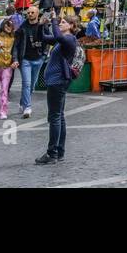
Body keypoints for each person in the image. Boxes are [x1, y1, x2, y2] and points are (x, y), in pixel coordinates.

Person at [36, 16, 78, 165]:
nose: (60, 24)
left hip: (57, 81)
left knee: (54, 117)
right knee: (59, 116)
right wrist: (43, 24)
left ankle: (52, 153)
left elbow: (58, 36)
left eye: (63, 22)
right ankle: (59, 151)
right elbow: (44, 37)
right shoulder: (61, 40)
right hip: (57, 81)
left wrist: (53, 20)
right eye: (60, 22)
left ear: (72, 26)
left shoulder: (70, 39)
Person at [12, 4, 49, 118]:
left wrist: (44, 54)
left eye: (32, 12)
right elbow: (16, 45)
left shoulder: (43, 26)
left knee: (32, 85)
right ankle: (27, 107)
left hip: (38, 59)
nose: (30, 14)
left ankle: (22, 102)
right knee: (26, 84)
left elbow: (49, 39)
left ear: (37, 14)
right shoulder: (22, 28)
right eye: (28, 12)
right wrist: (15, 59)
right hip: (26, 60)